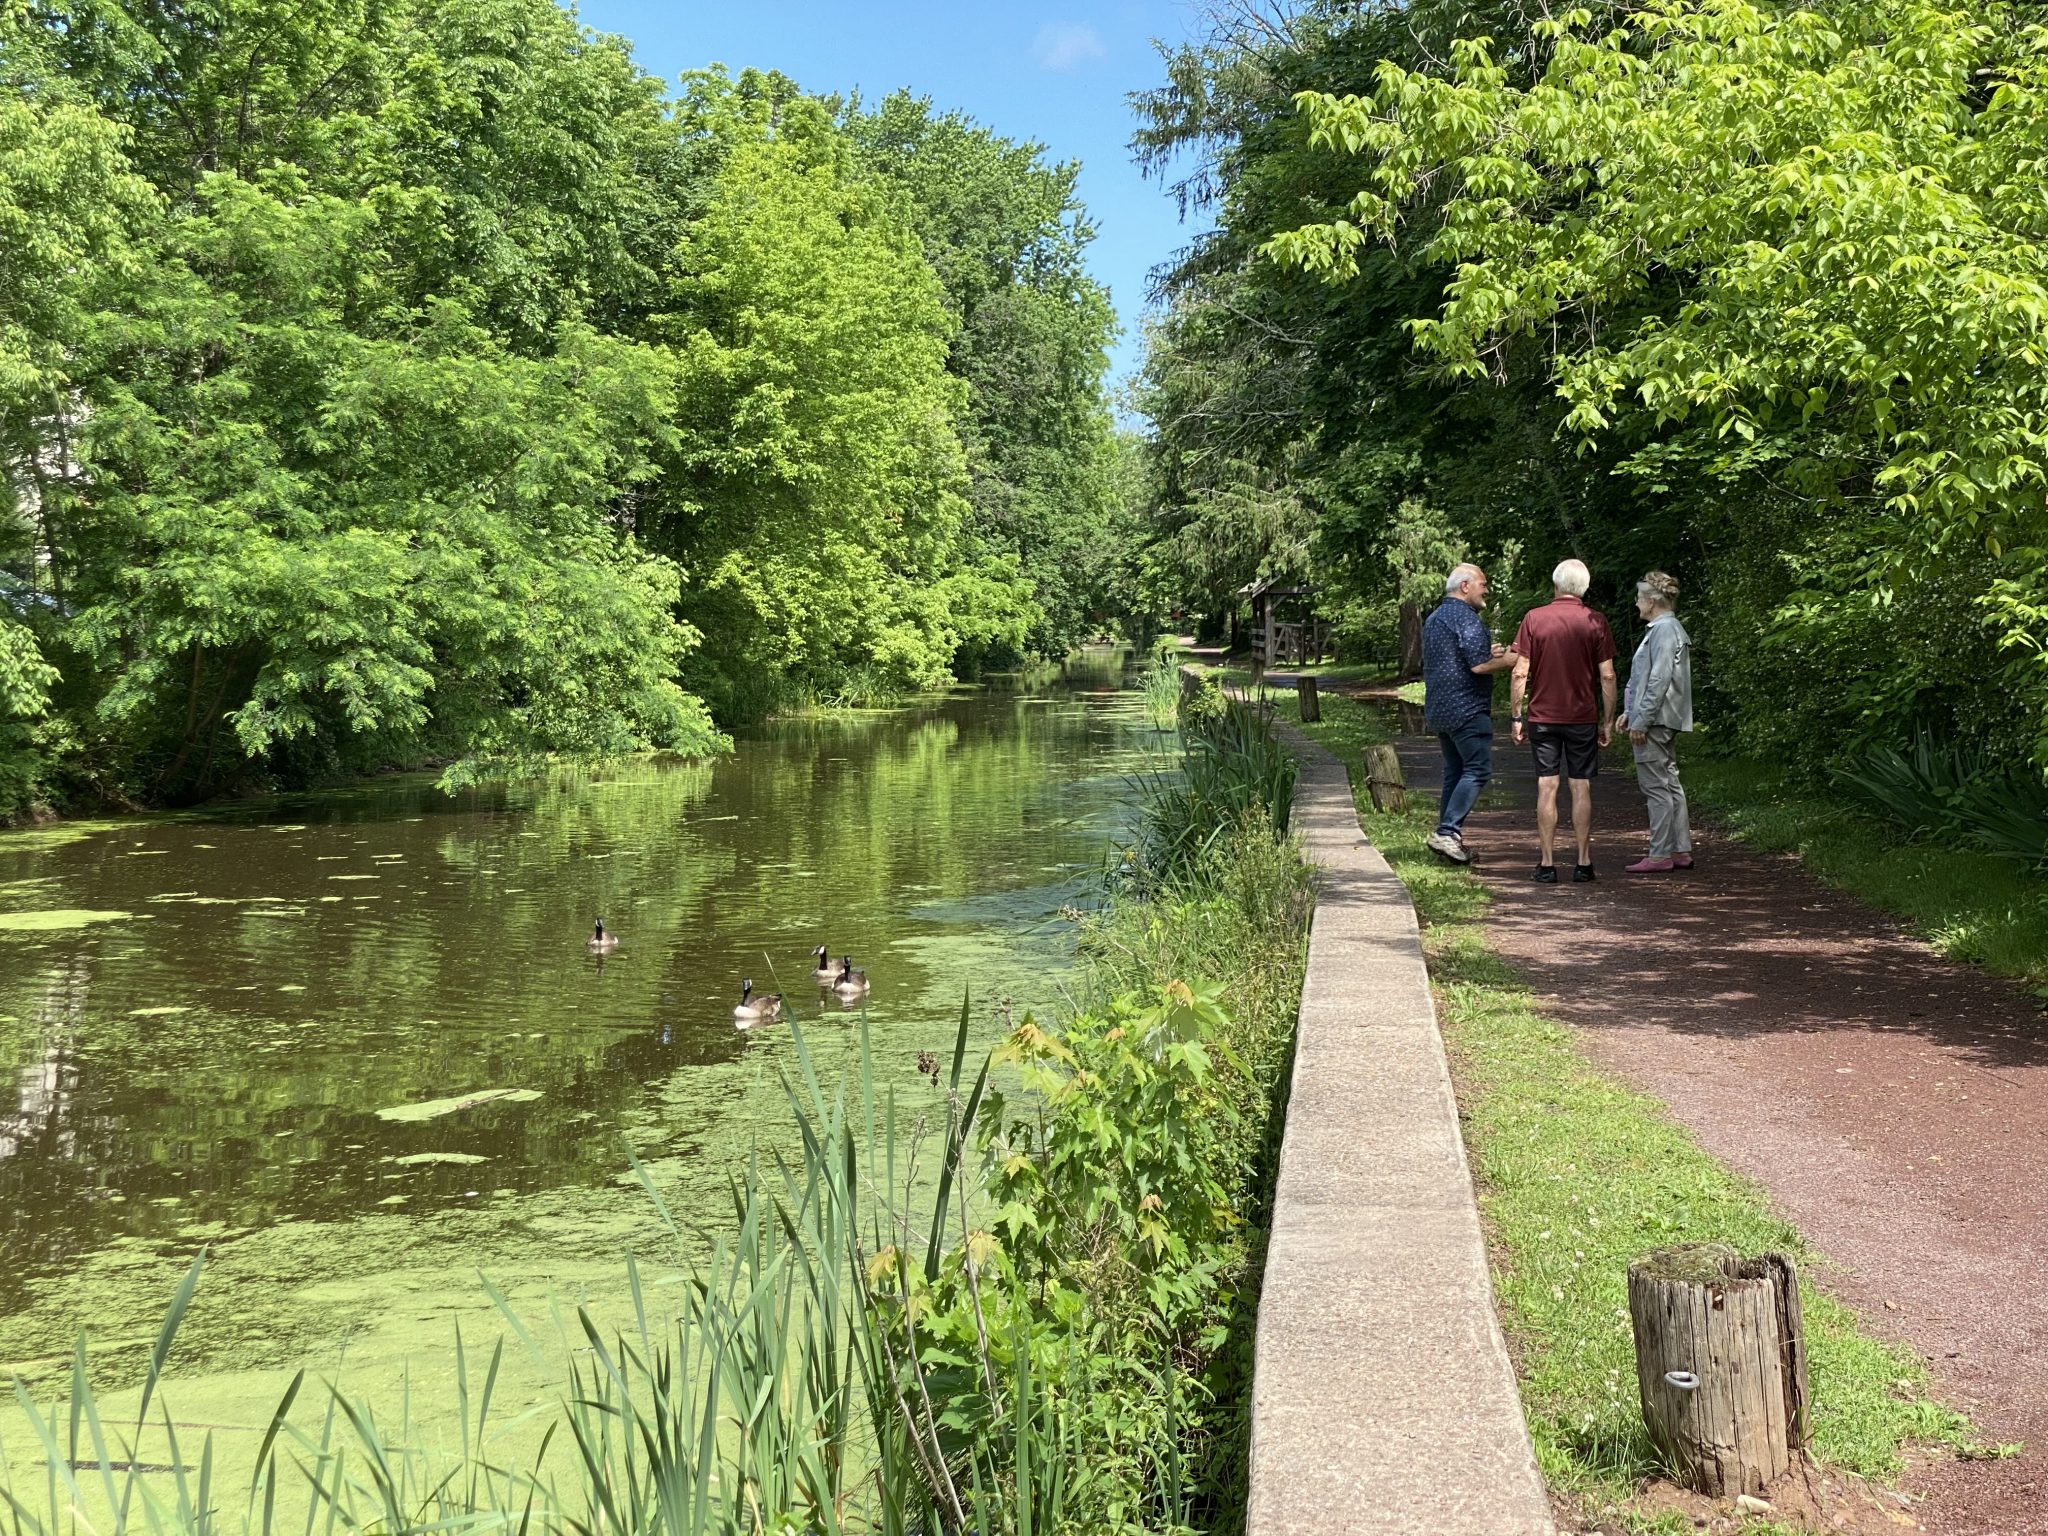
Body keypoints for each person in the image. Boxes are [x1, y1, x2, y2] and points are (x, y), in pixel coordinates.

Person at [1510, 559, 1617, 883]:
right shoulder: (1595, 621)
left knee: (1547, 785)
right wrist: (1608, 720)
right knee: (1580, 785)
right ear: (1583, 588)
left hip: (1543, 717)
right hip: (1582, 717)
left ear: (1556, 585)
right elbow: (1608, 675)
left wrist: (1516, 715)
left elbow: (1519, 671)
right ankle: (1584, 863)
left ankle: (1546, 864)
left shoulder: (1534, 619)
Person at [1421, 563, 1518, 864]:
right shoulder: (1466, 618)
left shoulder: (1436, 617)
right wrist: (1513, 660)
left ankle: (1447, 839)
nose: (1486, 589)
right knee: (1478, 769)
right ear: (1465, 586)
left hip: (1440, 707)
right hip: (1467, 707)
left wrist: (1491, 653)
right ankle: (1448, 832)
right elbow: (1478, 666)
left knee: (1455, 771)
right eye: (1483, 584)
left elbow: (1461, 657)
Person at [1616, 570, 1695, 872]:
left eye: (1638, 598)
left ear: (1651, 601)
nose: (1636, 604)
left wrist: (1641, 720)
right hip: (1662, 718)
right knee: (1670, 784)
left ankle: (1660, 854)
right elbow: (1646, 678)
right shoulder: (1667, 628)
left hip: (1656, 720)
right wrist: (1629, 712)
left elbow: (1658, 680)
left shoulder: (1663, 630)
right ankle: (1679, 850)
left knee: (1656, 787)